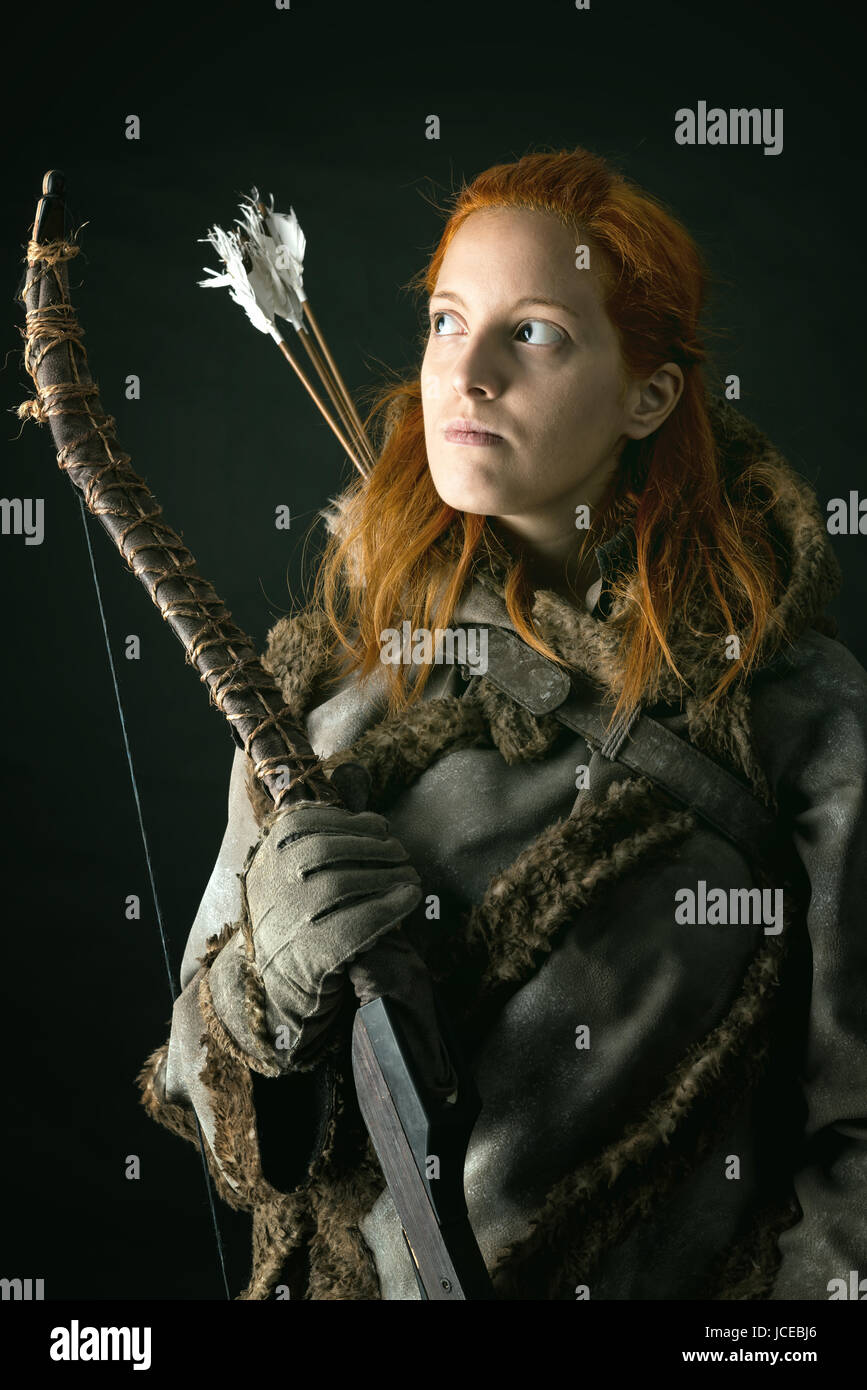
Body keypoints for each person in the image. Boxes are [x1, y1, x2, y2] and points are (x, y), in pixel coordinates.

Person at [138, 147, 867, 1301]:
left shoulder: (793, 713)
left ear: (650, 392)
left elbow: (858, 1146)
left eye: (533, 333)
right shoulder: (325, 682)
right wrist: (262, 994)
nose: (465, 373)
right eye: (445, 321)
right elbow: (207, 1110)